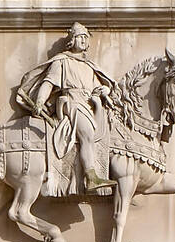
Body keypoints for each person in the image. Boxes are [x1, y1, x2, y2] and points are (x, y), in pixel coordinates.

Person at [17, 22, 115, 195]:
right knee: (88, 135)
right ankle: (91, 177)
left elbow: (100, 85)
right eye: (80, 37)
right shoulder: (62, 61)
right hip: (72, 103)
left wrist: (105, 90)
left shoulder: (89, 65)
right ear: (72, 40)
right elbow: (48, 83)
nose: (84, 40)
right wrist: (40, 101)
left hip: (89, 104)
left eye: (86, 37)